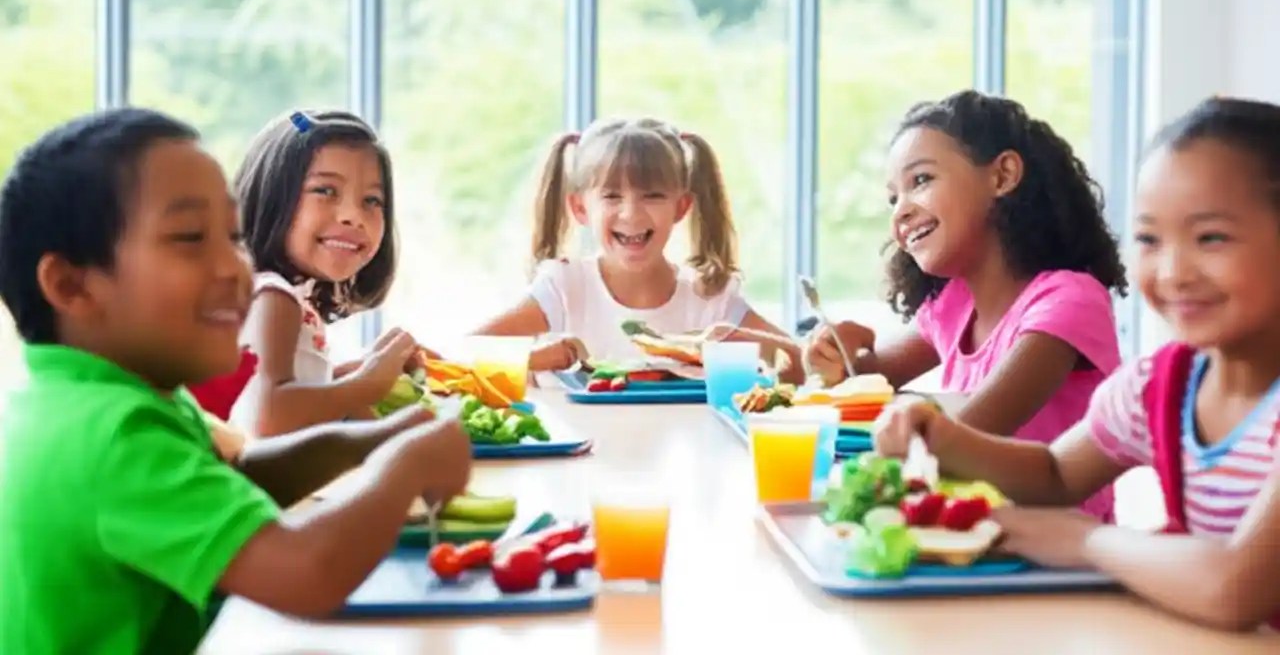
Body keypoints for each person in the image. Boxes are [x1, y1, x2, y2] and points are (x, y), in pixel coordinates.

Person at [0, 108, 473, 653]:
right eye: (189, 238)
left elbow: (235, 474)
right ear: (71, 285)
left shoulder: (89, 399)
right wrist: (403, 469)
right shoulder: (115, 436)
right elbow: (306, 574)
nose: (235, 267)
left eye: (233, 236)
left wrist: (370, 441)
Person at [875, 97, 1280, 631]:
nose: (1174, 270)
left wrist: (1084, 540)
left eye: (1211, 238)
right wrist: (941, 438)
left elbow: (1235, 590)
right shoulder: (1161, 386)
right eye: (1149, 240)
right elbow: (1056, 472)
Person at [807, 91, 1127, 520]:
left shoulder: (1070, 300)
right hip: (971, 537)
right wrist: (837, 355)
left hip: (1057, 558)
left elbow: (970, 432)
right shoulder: (954, 302)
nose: (901, 212)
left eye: (920, 180)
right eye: (892, 198)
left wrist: (902, 407)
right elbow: (869, 381)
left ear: (1003, 175)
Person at [477, 117, 803, 382]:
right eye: (611, 196)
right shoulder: (565, 288)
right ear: (580, 209)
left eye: (653, 196)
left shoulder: (710, 300)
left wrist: (815, 350)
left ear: (681, 206)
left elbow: (802, 368)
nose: (631, 214)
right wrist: (537, 358)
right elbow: (466, 355)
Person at [229, 109, 431, 436]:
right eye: (325, 191)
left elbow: (295, 389)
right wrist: (366, 384)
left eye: (371, 200)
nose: (353, 215)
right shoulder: (273, 299)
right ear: (272, 196)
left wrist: (361, 371)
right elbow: (267, 417)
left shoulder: (288, 296)